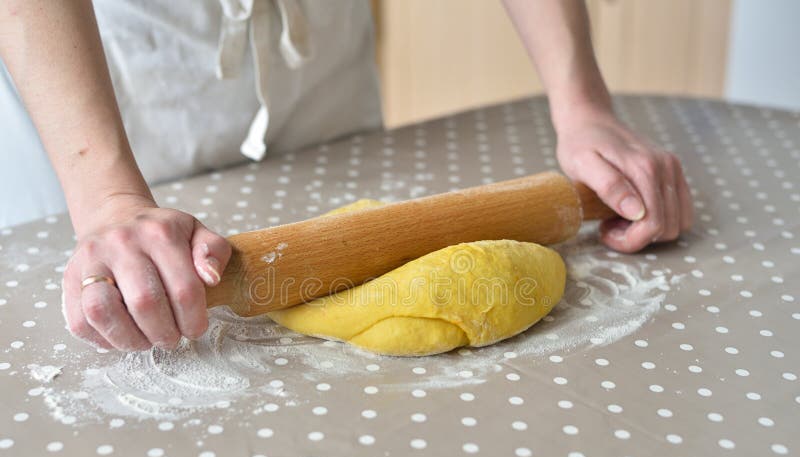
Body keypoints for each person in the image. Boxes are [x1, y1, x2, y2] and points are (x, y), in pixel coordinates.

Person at [0, 0, 692, 352]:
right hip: (105, 110)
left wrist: (582, 104)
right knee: (127, 287)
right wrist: (109, 198)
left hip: (324, 98)